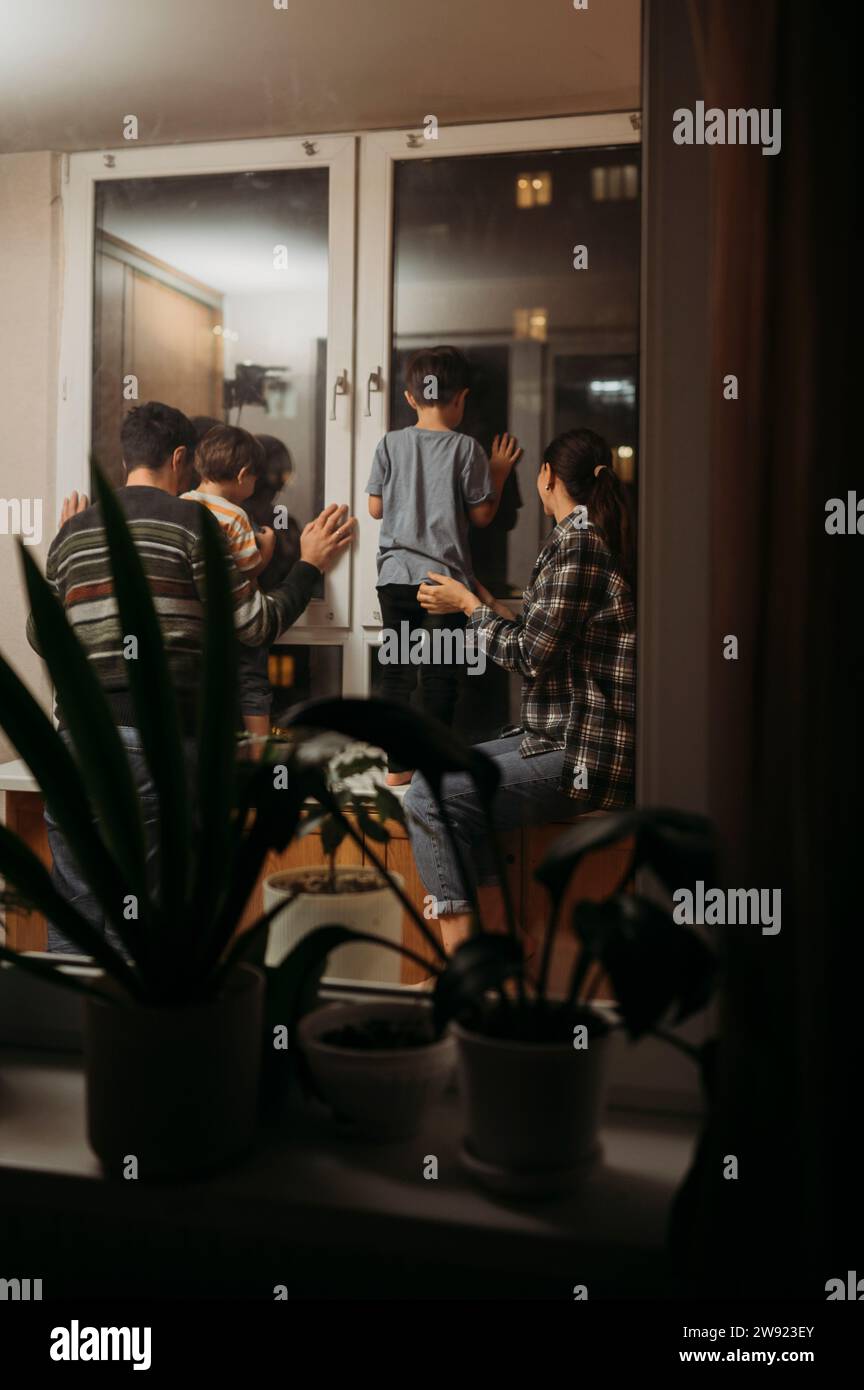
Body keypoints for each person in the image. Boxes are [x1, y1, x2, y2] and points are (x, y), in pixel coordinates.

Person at [29, 401, 354, 949]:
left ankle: (71, 1029)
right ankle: (140, 1036)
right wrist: (309, 567)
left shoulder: (75, 531)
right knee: (151, 922)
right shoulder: (192, 524)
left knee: (79, 916)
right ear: (180, 457)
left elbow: (44, 637)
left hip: (75, 744)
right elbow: (254, 626)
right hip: (155, 745)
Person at [403, 427, 636, 955]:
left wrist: (467, 606)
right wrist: (475, 591)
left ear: (547, 476)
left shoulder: (580, 544)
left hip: (587, 752)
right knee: (439, 779)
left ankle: (464, 970)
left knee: (430, 797)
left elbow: (527, 655)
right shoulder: (587, 537)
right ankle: (500, 951)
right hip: (559, 734)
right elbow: (540, 635)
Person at [366, 344, 522, 785]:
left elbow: (376, 508)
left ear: (410, 398)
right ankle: (432, 766)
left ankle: (397, 769)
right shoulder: (466, 449)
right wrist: (498, 472)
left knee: (396, 672)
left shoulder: (390, 443)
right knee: (440, 674)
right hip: (443, 584)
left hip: (395, 578)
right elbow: (482, 515)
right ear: (461, 399)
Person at [182, 423, 277, 740]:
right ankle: (258, 747)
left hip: (196, 619)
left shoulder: (182, 503)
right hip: (236, 615)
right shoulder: (236, 516)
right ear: (243, 474)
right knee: (252, 678)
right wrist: (267, 548)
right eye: (254, 478)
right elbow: (249, 569)